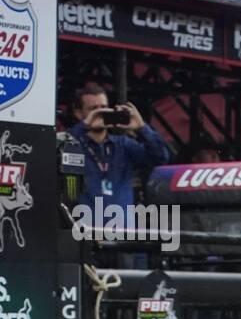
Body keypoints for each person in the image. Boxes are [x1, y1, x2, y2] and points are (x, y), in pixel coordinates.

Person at [69, 82, 171, 248]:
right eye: (93, 109)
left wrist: (142, 128)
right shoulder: (73, 144)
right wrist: (84, 126)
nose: (100, 113)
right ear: (79, 113)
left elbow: (160, 156)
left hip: (123, 238)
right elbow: (53, 150)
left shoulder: (123, 145)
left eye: (104, 107)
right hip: (86, 239)